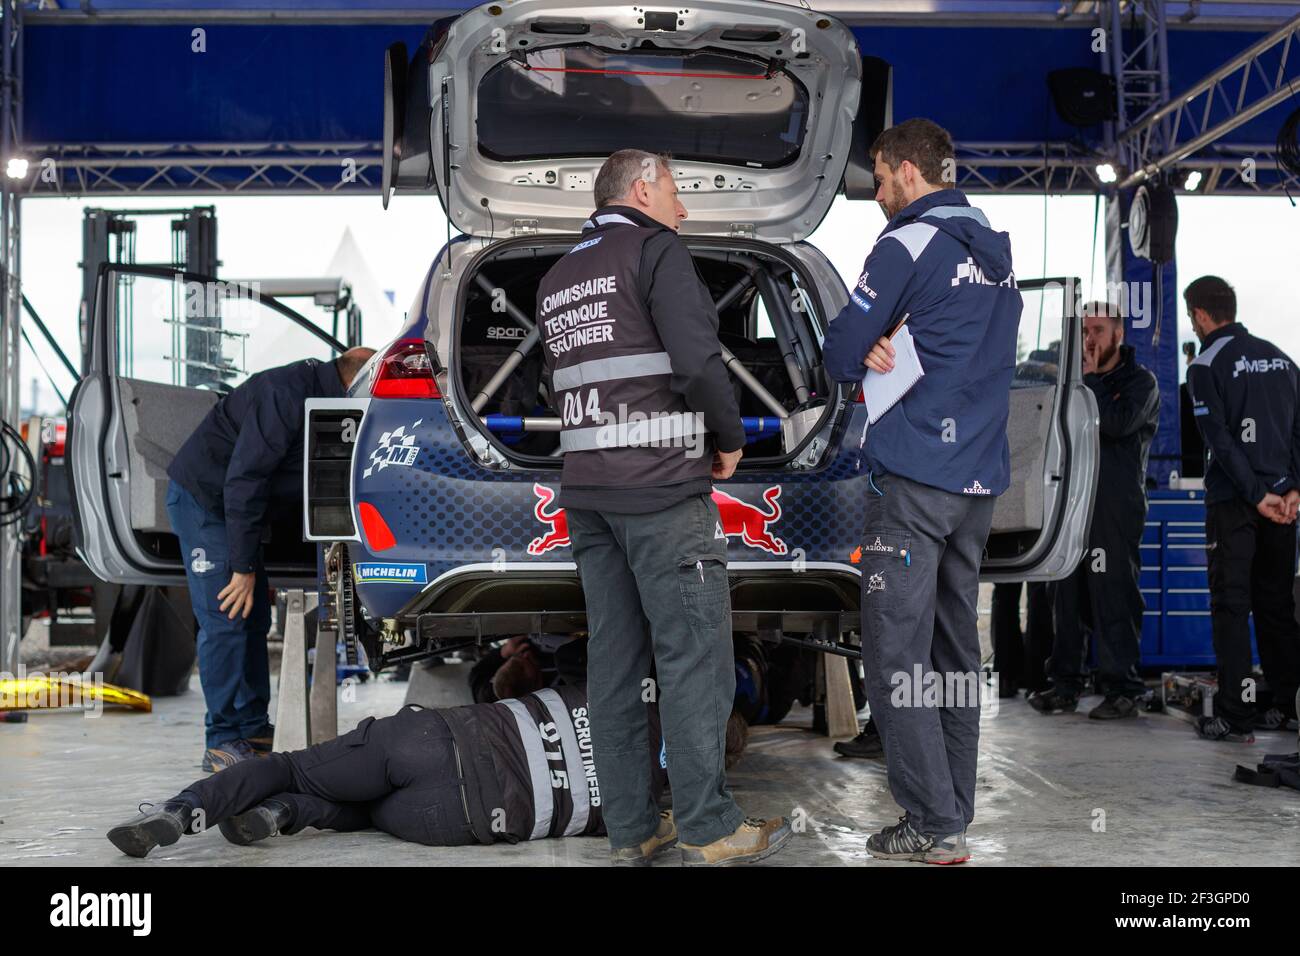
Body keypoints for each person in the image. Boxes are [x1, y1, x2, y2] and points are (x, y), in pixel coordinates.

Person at [533, 148, 790, 866]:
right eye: (676, 190)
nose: (684, 207)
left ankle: (634, 828)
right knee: (695, 660)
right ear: (643, 189)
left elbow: (559, 385)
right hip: (663, 492)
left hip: (589, 497)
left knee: (615, 665)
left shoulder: (556, 279)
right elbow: (699, 362)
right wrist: (730, 439)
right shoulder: (656, 252)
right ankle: (709, 828)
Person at [822, 117, 1022, 864]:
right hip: (976, 484)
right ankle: (952, 814)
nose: (878, 194)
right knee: (954, 654)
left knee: (894, 656)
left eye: (879, 179)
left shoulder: (906, 242)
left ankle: (932, 823)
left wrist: (871, 342)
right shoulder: (995, 251)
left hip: (912, 484)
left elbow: (841, 349)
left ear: (908, 170)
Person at [105, 683, 728, 863]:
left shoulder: (621, 692)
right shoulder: (647, 802)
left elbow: (509, 678)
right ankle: (283, 814)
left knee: (292, 765)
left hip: (427, 744)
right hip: (453, 821)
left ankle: (181, 812)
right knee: (370, 813)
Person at [166, 348, 375, 771]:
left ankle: (251, 725)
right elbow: (244, 481)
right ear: (355, 383)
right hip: (207, 502)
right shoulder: (285, 393)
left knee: (254, 617)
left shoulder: (326, 399)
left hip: (237, 508)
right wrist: (243, 568)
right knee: (227, 617)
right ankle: (222, 739)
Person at [1183, 275, 1300, 741]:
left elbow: (1220, 442)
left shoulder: (1205, 365)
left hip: (1236, 503)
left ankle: (1236, 716)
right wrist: (1293, 490)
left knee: (1232, 606)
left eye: (1192, 316)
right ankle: (1289, 706)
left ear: (1200, 315)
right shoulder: (1283, 360)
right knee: (1276, 604)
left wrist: (1254, 494)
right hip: (1282, 504)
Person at [1029, 301, 1160, 719]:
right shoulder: (1070, 382)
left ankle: (1123, 689)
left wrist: (1088, 382)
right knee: (1064, 595)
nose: (1089, 340)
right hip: (1071, 504)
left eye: (1098, 331)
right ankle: (1065, 684)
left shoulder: (1140, 382)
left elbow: (1117, 423)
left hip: (1114, 507)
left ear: (1118, 334)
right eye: (1084, 331)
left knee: (1113, 594)